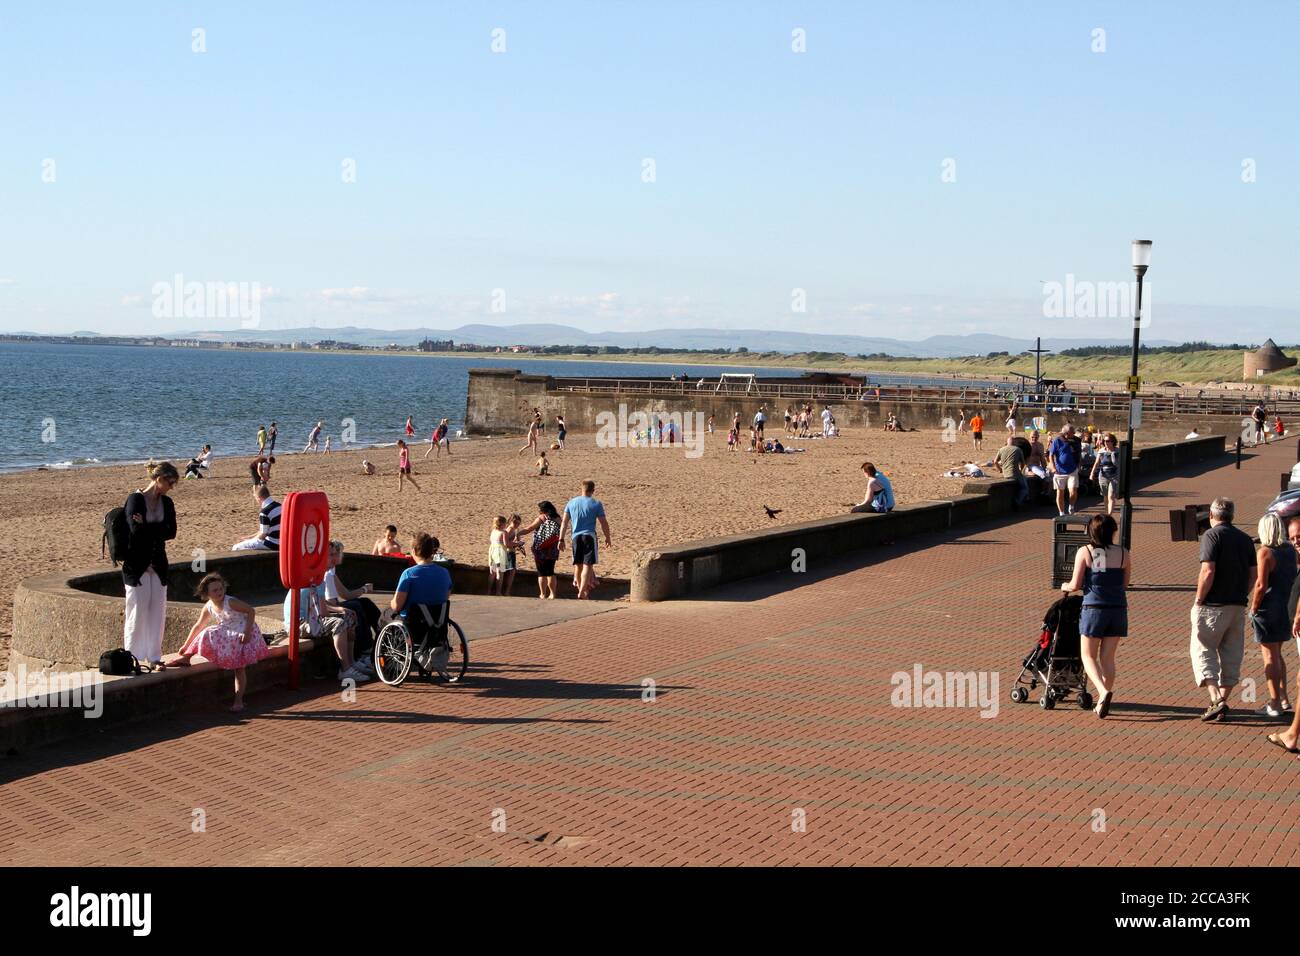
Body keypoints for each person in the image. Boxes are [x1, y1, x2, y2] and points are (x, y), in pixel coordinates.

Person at [1190, 497, 1257, 722]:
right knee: (1232, 653)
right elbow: (1254, 576)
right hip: (1237, 605)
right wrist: (1242, 593)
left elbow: (1208, 570)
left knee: (1203, 649)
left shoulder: (1211, 535)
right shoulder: (1245, 539)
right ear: (1232, 516)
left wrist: (1199, 599)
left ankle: (1216, 699)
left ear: (1211, 515)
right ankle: (1220, 702)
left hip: (1213, 605)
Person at [169, 573, 269, 711]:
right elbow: (198, 625)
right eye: (215, 590)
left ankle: (238, 701)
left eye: (220, 588)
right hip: (228, 632)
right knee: (208, 631)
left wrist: (247, 632)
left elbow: (251, 611)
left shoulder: (230, 602)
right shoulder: (209, 606)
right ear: (207, 593)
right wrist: (186, 645)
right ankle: (186, 657)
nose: (219, 592)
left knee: (239, 668)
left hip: (243, 632)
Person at [1062, 514, 1130, 718]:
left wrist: (1065, 586)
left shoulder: (1086, 551)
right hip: (1117, 608)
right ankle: (1102, 703)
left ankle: (1102, 691)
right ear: (1113, 532)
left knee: (1088, 656)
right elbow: (1125, 584)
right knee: (1108, 658)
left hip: (1094, 608)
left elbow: (1075, 584)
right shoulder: (1123, 553)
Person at [122, 462, 179, 672]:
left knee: (158, 611)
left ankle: (155, 657)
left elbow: (171, 532)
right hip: (136, 565)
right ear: (159, 478)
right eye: (169, 482)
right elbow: (135, 530)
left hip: (158, 563)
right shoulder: (135, 499)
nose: (171, 486)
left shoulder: (168, 502)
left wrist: (146, 525)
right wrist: (152, 528)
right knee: (136, 612)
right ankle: (133, 658)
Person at [1249, 513, 1296, 717]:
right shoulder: (1290, 551)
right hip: (1285, 605)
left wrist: (1253, 607)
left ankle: (1274, 702)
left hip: (1269, 608)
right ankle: (1284, 698)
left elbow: (1261, 584)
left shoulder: (1265, 552)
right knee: (1278, 654)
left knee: (1269, 656)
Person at [389, 534, 454, 675]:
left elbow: (397, 606)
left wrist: (392, 603)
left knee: (386, 616)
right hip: (437, 624)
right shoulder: (444, 573)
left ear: (413, 551)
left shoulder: (409, 574)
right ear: (432, 551)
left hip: (413, 625)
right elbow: (445, 597)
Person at [1265, 516, 1300, 754]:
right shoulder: (1292, 556)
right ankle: (1292, 734)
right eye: (1293, 537)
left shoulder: (1273, 554)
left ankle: (1291, 734)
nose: (1296, 541)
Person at [284, 576, 361, 683]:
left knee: (349, 618)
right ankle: (346, 669)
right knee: (339, 624)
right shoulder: (318, 582)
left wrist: (339, 609)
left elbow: (320, 605)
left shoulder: (307, 578)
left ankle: (352, 663)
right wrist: (338, 613)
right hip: (301, 625)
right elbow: (323, 613)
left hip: (300, 622)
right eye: (330, 558)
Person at [324, 541, 380, 669]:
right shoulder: (327, 573)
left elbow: (345, 594)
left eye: (335, 554)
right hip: (331, 608)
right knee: (356, 606)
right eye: (333, 554)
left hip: (334, 605)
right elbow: (332, 602)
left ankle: (382, 635)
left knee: (365, 602)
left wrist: (364, 590)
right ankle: (366, 650)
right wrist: (340, 608)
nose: (337, 557)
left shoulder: (331, 571)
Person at [560, 480, 611, 600]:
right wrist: (607, 537)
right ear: (593, 490)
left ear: (581, 488)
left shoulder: (571, 502)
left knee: (578, 565)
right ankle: (582, 591)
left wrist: (561, 539)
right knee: (588, 564)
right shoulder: (596, 503)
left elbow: (564, 523)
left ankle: (581, 591)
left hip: (575, 537)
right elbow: (604, 523)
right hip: (589, 536)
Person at [518, 501, 563, 599]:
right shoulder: (558, 518)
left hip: (540, 548)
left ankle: (543, 594)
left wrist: (518, 533)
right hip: (552, 548)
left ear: (543, 510)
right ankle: (553, 594)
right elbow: (562, 530)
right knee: (551, 571)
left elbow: (529, 528)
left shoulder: (541, 518)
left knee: (541, 572)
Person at [231, 484, 281, 551]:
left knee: (236, 547)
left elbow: (263, 534)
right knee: (247, 543)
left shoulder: (265, 512)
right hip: (281, 542)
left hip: (272, 543)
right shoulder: (280, 506)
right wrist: (248, 538)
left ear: (259, 498)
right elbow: (264, 530)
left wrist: (251, 540)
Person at [1048, 424, 1081, 516]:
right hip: (1059, 471)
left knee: (1073, 491)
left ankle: (1071, 506)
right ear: (1066, 433)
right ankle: (1061, 513)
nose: (1074, 434)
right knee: (1060, 492)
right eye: (1072, 432)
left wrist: (1079, 465)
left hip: (1072, 470)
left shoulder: (1076, 440)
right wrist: (1053, 467)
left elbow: (1079, 453)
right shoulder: (1057, 441)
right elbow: (1051, 455)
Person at [1090, 433, 1120, 516]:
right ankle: (1107, 513)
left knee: (1111, 495)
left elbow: (1119, 465)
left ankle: (1109, 515)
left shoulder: (1118, 451)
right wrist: (1092, 473)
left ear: (1113, 442)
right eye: (1104, 441)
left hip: (1114, 476)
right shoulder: (1102, 451)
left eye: (1108, 441)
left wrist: (1113, 456)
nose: (1106, 443)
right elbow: (1096, 463)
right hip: (1103, 476)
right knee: (1105, 495)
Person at [996, 435, 1028, 507]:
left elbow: (995, 461)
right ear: (1015, 442)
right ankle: (1018, 501)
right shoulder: (1018, 449)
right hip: (1015, 474)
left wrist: (1000, 469)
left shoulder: (1001, 449)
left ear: (1007, 442)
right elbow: (1023, 463)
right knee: (1024, 488)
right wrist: (1020, 470)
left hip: (1005, 474)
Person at [502, 514, 524, 596]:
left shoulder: (512, 529)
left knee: (509, 572)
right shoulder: (510, 529)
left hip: (510, 552)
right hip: (509, 552)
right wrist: (518, 543)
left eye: (518, 523)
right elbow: (507, 543)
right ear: (510, 521)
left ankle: (507, 591)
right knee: (511, 572)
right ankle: (507, 592)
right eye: (515, 522)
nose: (517, 524)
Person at [487, 516, 509, 595]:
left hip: (492, 551)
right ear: (502, 523)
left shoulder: (493, 531)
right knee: (500, 573)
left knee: (492, 573)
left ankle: (489, 591)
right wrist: (517, 543)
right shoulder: (504, 532)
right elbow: (506, 544)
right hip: (500, 552)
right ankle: (498, 592)